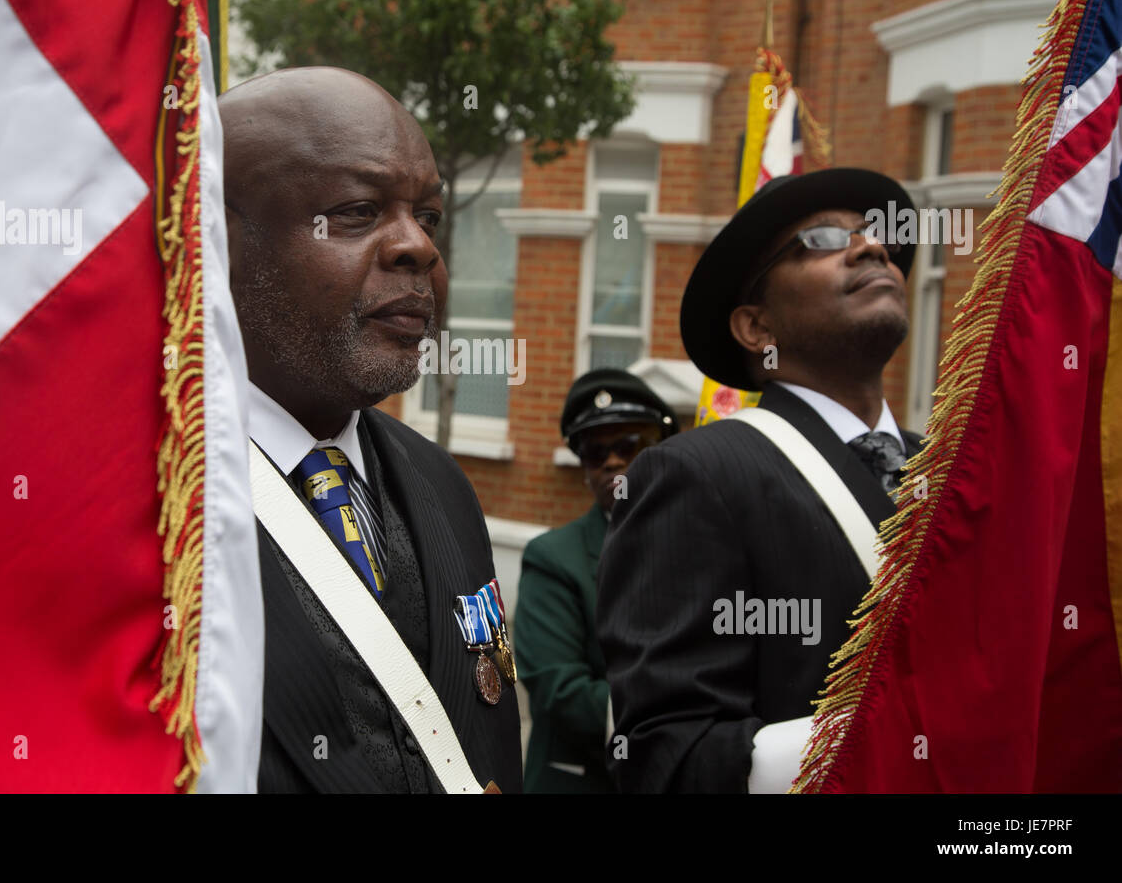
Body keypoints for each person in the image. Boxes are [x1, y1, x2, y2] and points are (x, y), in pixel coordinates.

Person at [221, 66, 522, 793]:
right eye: (357, 212)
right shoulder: (141, 510)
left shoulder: (441, 484)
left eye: (430, 217)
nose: (419, 247)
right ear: (215, 244)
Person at [596, 168, 924, 793]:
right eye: (823, 239)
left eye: (874, 233)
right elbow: (666, 755)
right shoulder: (693, 474)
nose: (871, 247)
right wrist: (899, 728)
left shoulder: (954, 468)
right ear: (757, 328)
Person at [516, 369, 677, 793]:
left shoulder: (702, 547)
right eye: (594, 452)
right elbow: (558, 690)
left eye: (629, 445)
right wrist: (680, 720)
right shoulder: (553, 558)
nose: (612, 462)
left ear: (661, 448)